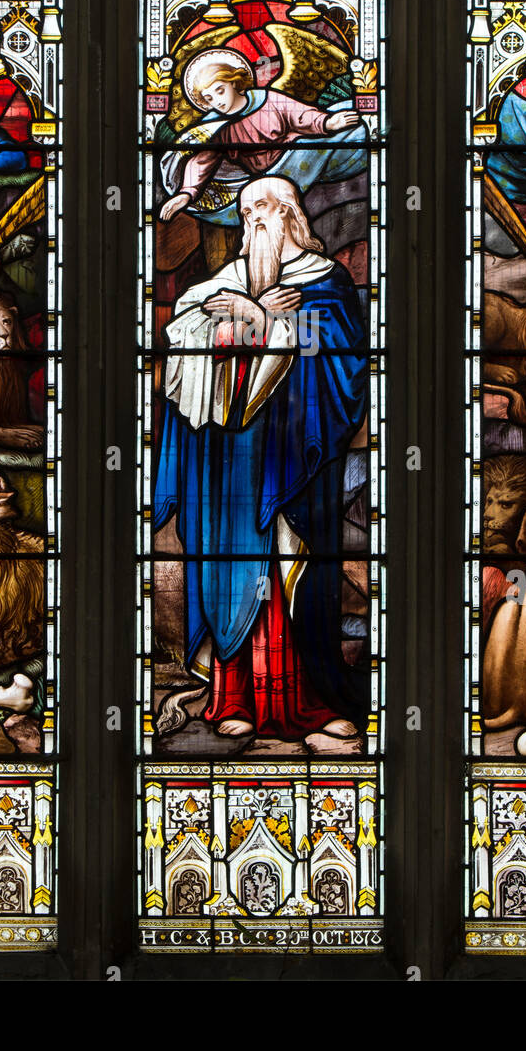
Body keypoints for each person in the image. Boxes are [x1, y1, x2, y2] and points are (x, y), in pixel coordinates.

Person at [154, 175, 368, 745]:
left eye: (264, 211)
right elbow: (184, 352)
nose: (252, 223)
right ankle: (231, 699)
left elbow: (338, 365)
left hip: (291, 456)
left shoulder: (325, 282)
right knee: (232, 571)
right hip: (226, 462)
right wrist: (245, 315)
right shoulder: (222, 284)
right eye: (246, 214)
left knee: (287, 574)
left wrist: (261, 320)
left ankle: (308, 702)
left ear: (291, 214)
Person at [159, 49, 366, 225]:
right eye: (209, 98)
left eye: (220, 91)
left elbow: (300, 116)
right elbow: (201, 162)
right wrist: (186, 193)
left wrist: (327, 123)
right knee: (312, 143)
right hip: (269, 175)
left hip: (292, 155)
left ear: (234, 83)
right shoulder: (216, 126)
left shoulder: (267, 100)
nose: (217, 102)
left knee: (345, 114)